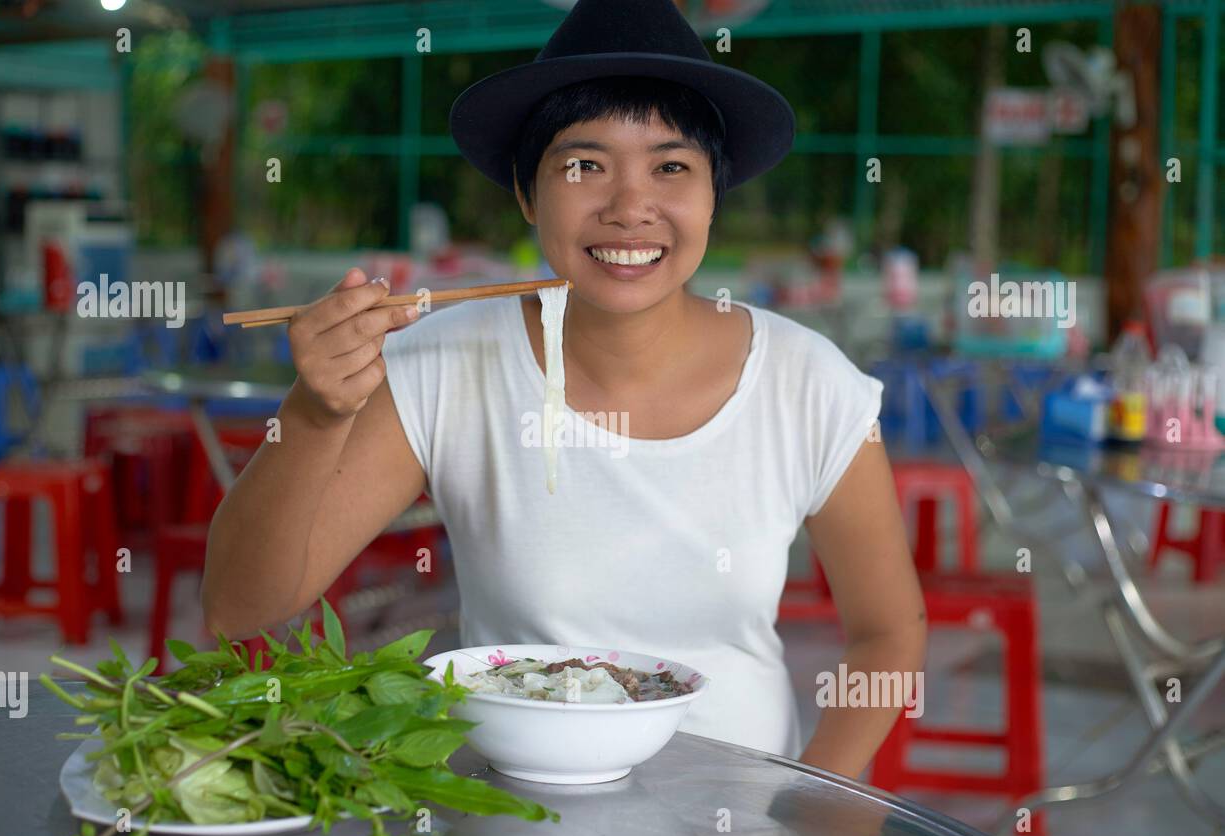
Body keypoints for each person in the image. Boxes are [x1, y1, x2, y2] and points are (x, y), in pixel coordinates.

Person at [202, 0, 926, 779]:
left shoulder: (807, 382)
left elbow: (888, 632)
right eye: (583, 165)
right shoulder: (446, 364)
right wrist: (315, 413)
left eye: (672, 166)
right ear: (526, 195)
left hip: (738, 818)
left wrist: (813, 825)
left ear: (715, 193)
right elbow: (243, 608)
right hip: (513, 810)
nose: (628, 206)